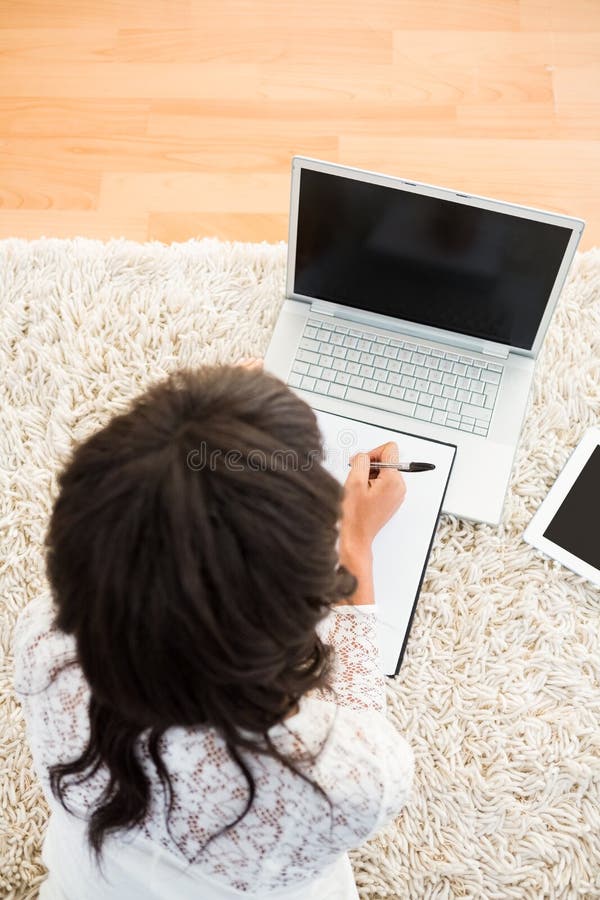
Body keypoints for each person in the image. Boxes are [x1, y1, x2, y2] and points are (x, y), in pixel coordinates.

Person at [13, 362, 414, 900]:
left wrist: (213, 423)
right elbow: (368, 725)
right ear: (291, 613)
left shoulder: (42, 640)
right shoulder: (346, 779)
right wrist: (357, 548)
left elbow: (163, 543)